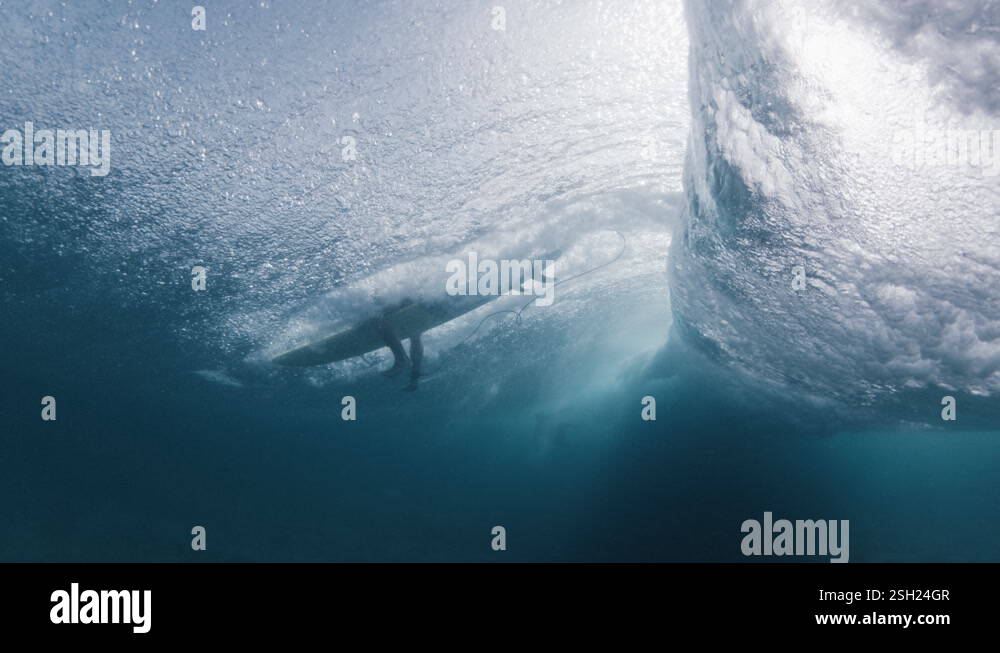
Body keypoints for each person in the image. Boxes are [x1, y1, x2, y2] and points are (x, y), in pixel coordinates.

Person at [375, 300, 424, 392]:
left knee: (380, 323)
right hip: (417, 296)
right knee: (415, 333)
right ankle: (415, 374)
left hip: (409, 296)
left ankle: (401, 360)